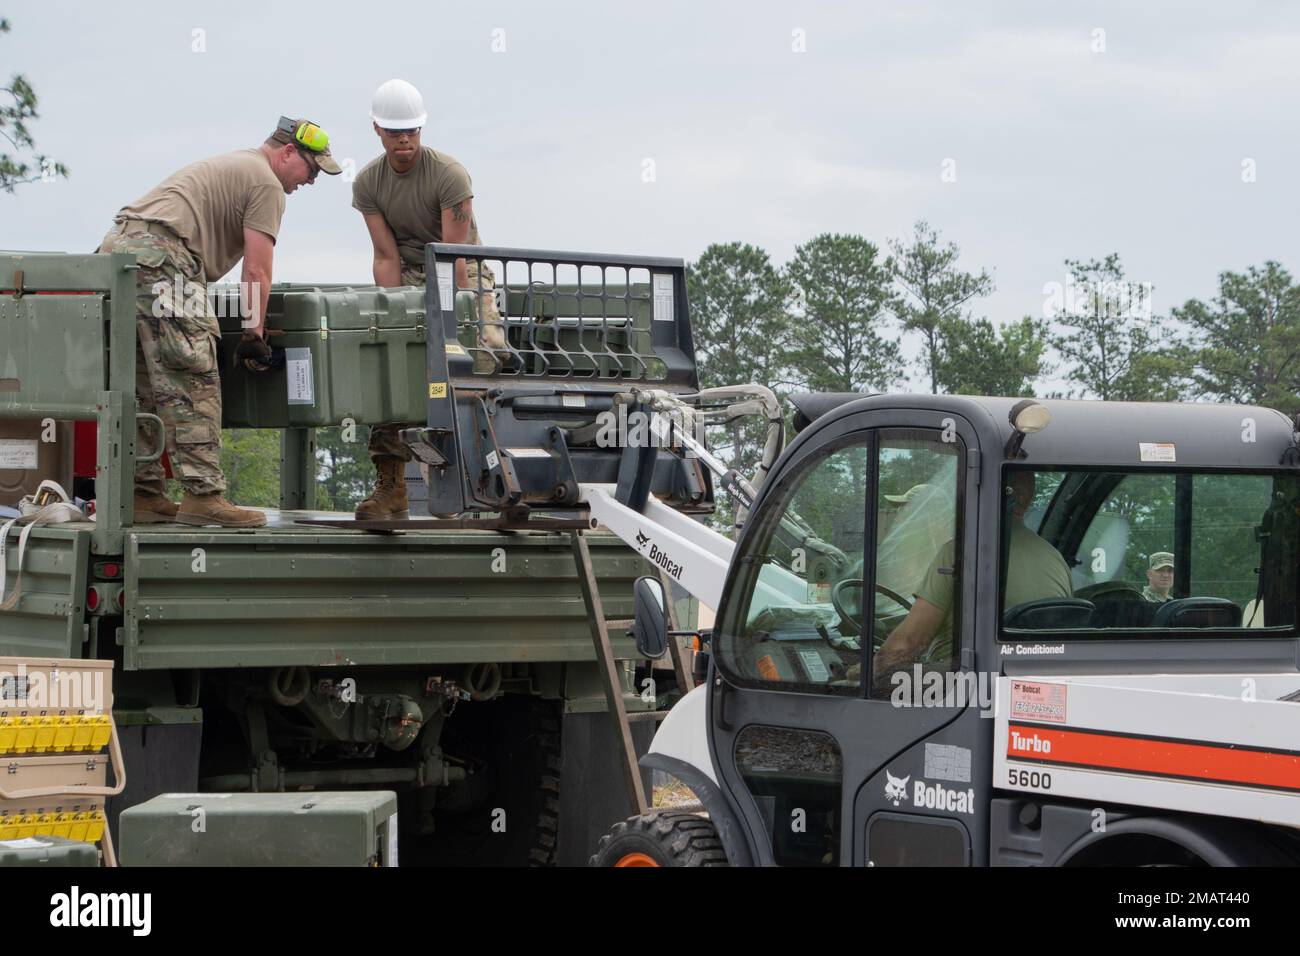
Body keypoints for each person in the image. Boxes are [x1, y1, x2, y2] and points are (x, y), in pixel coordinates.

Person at [99, 117, 341, 528]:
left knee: (139, 379)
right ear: (287, 154)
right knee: (194, 372)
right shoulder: (265, 182)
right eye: (312, 169)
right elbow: (256, 272)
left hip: (117, 252)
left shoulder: (240, 166)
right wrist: (253, 333)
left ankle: (143, 493)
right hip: (163, 258)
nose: (312, 180)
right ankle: (203, 496)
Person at [352, 79, 506, 521]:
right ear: (377, 130)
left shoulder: (449, 175)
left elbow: (456, 259)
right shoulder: (367, 183)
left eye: (412, 132)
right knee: (389, 367)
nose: (405, 140)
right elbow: (384, 256)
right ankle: (391, 486)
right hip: (406, 273)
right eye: (396, 132)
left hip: (462, 273)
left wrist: (453, 325)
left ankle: (491, 480)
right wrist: (395, 314)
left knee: (480, 358)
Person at [874, 470, 1071, 677]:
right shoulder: (1056, 558)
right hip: (1023, 680)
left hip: (955, 684)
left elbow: (909, 644)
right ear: (1029, 498)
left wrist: (861, 674)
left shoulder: (960, 551)